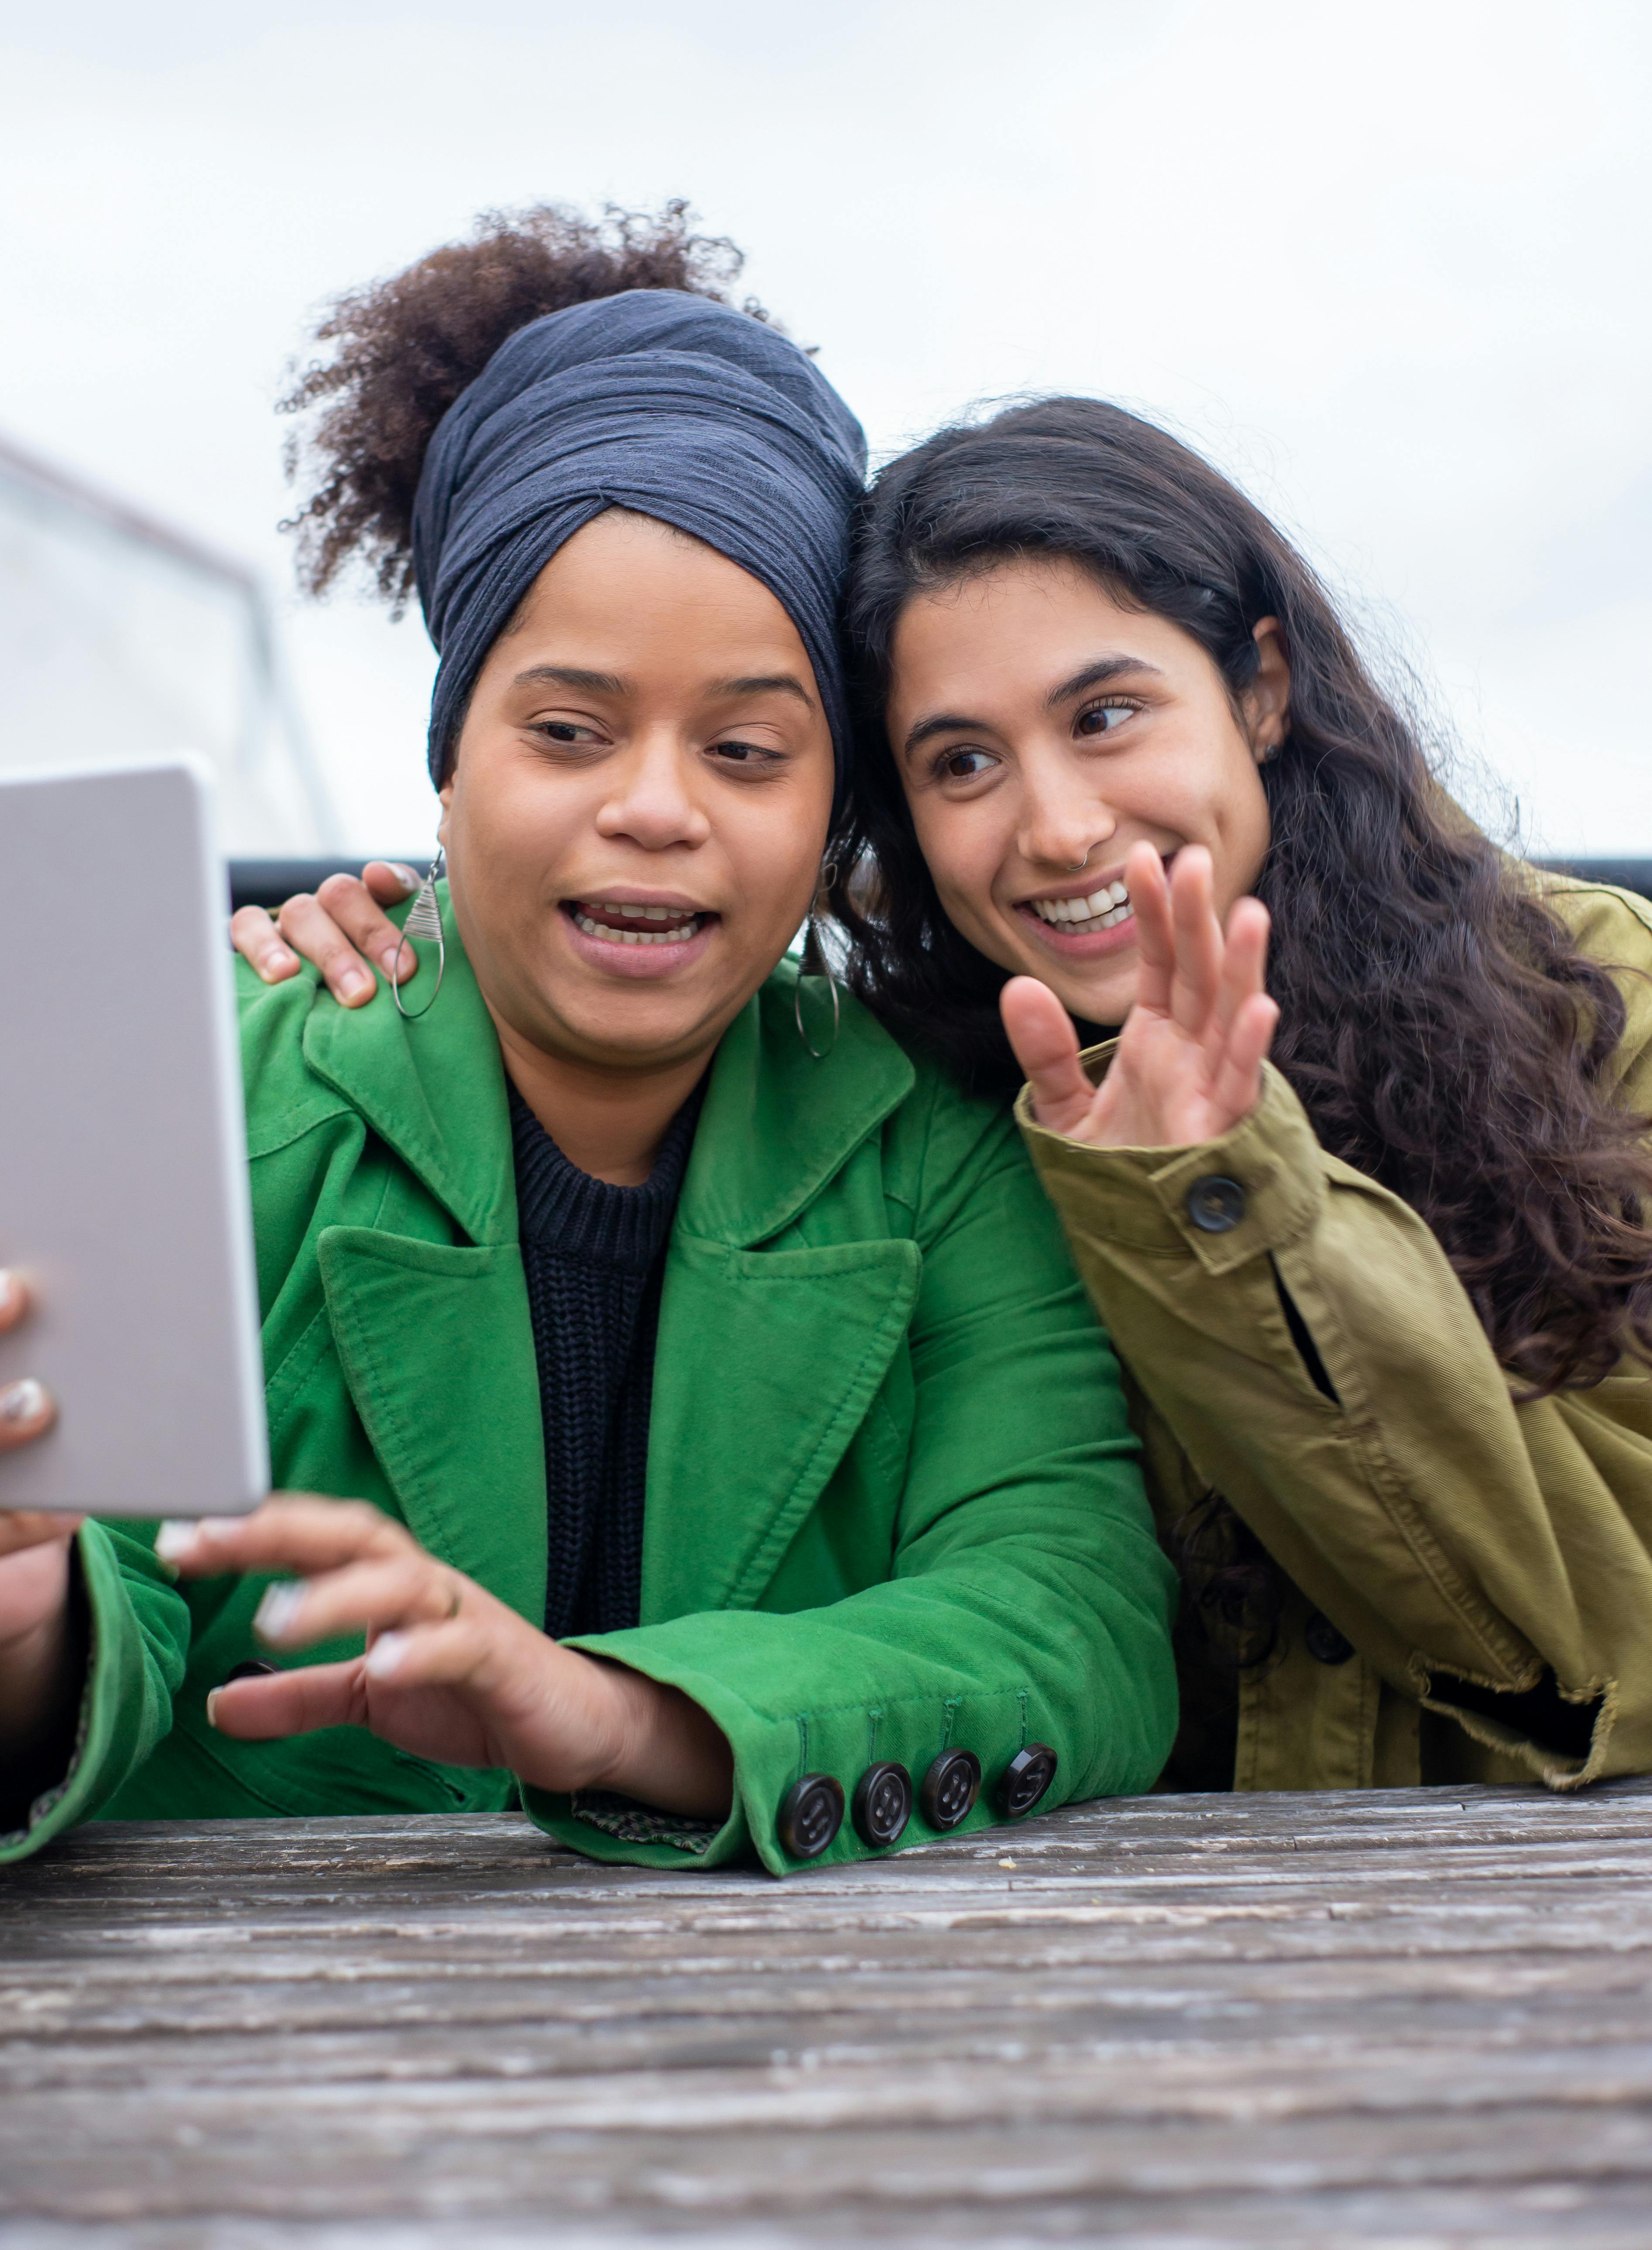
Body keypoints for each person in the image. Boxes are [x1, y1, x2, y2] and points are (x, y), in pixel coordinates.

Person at [0, 218, 1178, 1871]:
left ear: (835, 804)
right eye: (565, 732)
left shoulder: (947, 1144)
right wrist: (26, 1617)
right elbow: (91, 1556)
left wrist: (617, 1717)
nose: (651, 808)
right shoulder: (194, 1090)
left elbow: (1068, 1618)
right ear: (447, 761)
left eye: (751, 751)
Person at [274, 384, 1652, 1797]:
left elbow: (1604, 1631)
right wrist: (422, 934)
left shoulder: (1589, 1002)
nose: (1056, 827)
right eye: (961, 762)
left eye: (1107, 714)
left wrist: (1220, 1195)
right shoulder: (931, 1097)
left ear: (1259, 687)